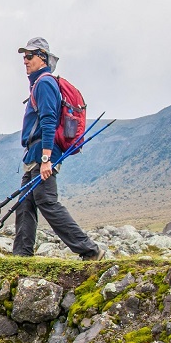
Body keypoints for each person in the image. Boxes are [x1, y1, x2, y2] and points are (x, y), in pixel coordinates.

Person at [12, 37, 103, 261]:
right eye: (24, 56)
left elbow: (49, 120)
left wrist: (46, 159)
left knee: (46, 201)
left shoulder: (44, 83)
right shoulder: (39, 83)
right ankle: (21, 256)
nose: (25, 60)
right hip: (34, 154)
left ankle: (90, 250)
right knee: (25, 203)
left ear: (43, 58)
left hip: (43, 153)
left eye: (30, 56)